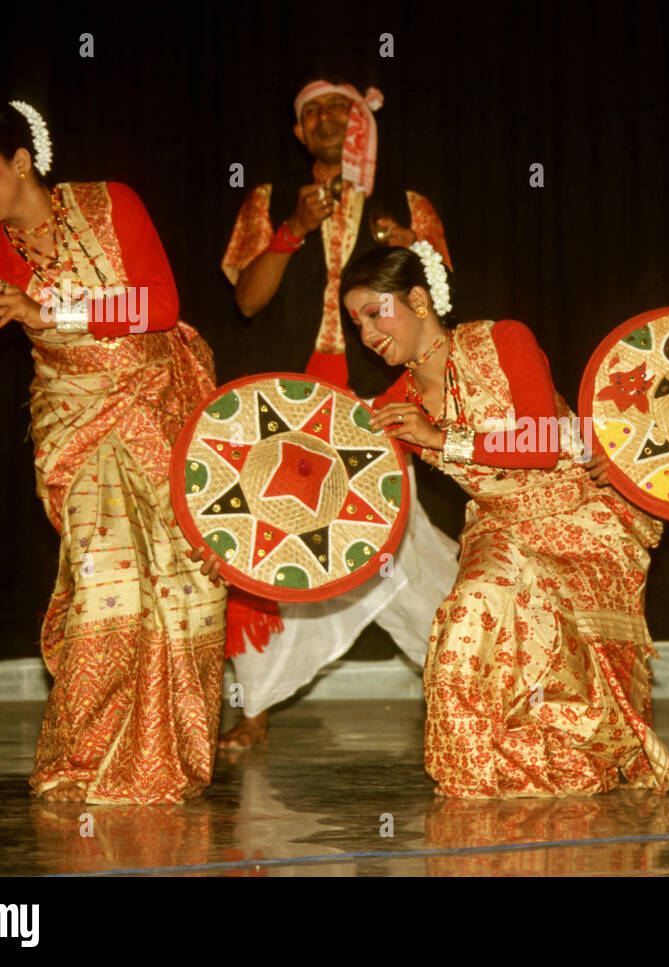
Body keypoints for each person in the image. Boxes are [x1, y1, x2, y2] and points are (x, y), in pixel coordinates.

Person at [0, 102, 225, 803]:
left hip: (160, 407)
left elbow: (159, 306)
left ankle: (168, 761)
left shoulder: (110, 203)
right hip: (77, 427)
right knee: (107, 582)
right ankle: (86, 758)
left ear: (21, 162)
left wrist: (48, 313)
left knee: (189, 587)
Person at [340, 244, 669, 798]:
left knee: (544, 619)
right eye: (355, 322)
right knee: (470, 609)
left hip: (582, 517)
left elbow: (543, 445)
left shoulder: (502, 339)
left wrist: (440, 438)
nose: (366, 333)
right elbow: (336, 479)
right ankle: (474, 779)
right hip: (500, 526)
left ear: (418, 300)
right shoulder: (398, 402)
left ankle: (569, 761)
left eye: (373, 312)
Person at [216, 74, 458, 748]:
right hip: (288, 405)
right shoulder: (269, 201)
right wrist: (293, 230)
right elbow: (247, 301)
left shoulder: (408, 203)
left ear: (364, 125)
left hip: (378, 400)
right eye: (312, 111)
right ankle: (256, 706)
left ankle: (464, 670)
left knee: (398, 540)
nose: (327, 119)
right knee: (275, 540)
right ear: (299, 132)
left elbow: (437, 301)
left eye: (340, 109)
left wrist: (410, 248)